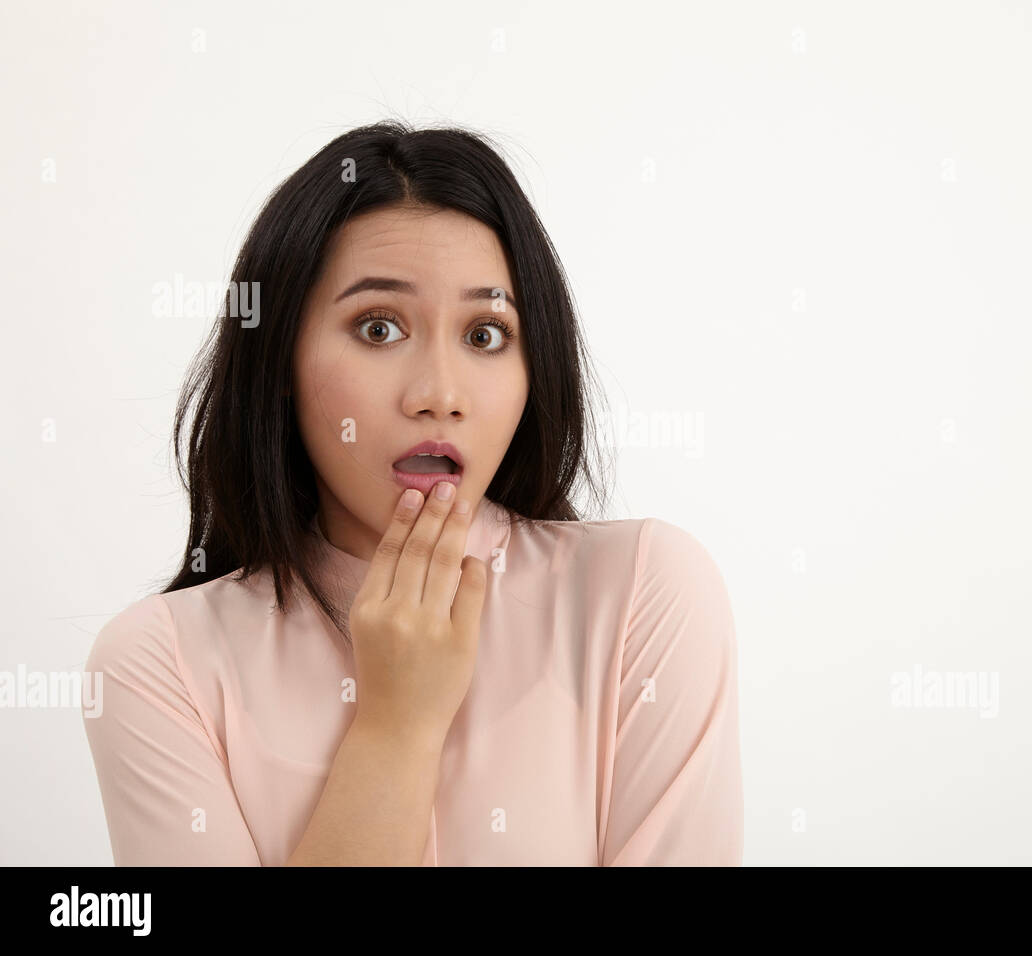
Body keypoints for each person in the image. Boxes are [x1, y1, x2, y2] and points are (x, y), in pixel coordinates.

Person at [81, 122, 743, 866]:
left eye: (486, 334)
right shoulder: (160, 664)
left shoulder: (642, 595)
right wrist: (394, 729)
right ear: (279, 359)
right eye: (378, 326)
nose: (440, 395)